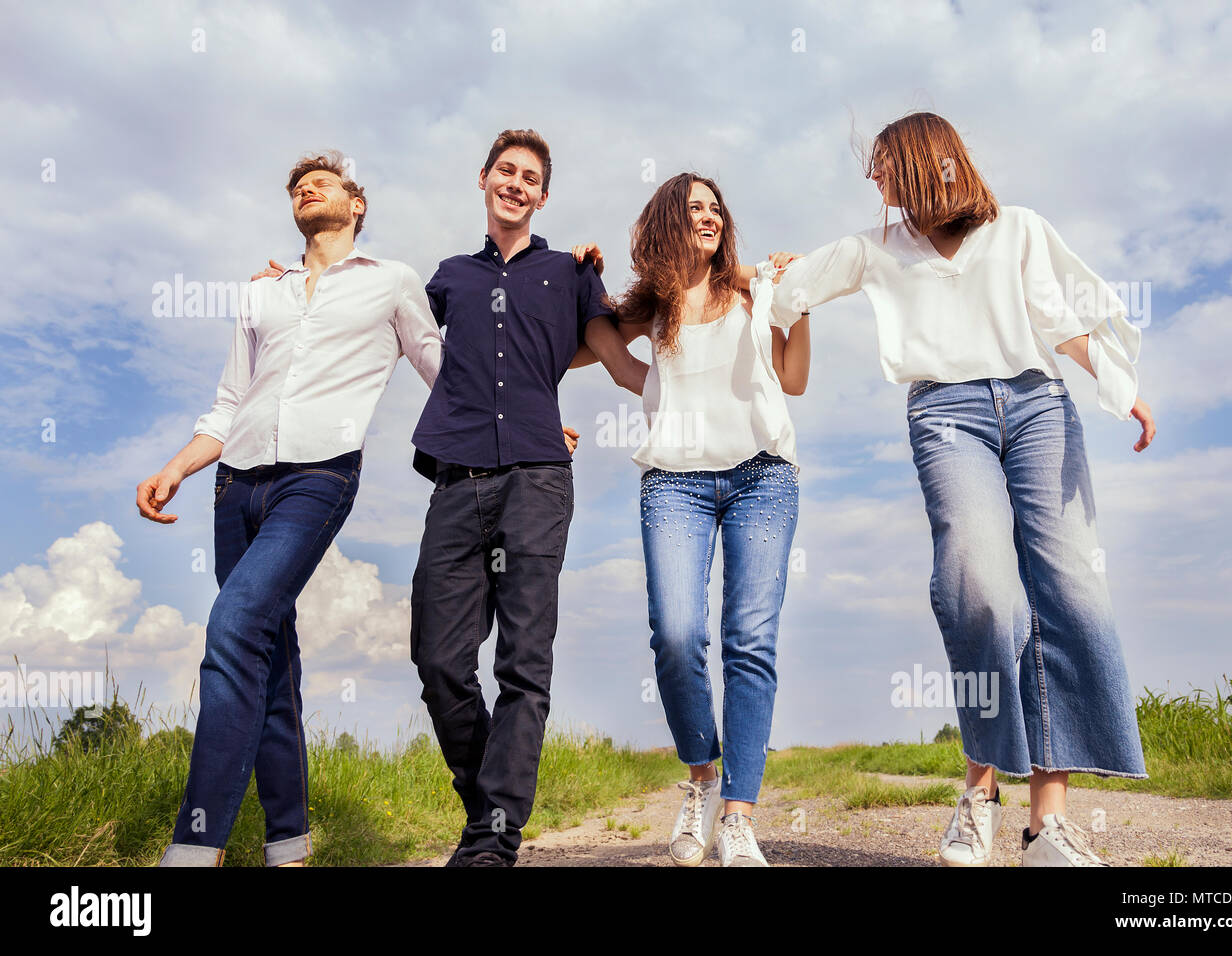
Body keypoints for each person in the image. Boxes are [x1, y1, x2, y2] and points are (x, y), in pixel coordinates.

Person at [768, 112, 1155, 867]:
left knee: (1071, 590)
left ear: (923, 162)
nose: (873, 181)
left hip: (1040, 404)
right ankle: (979, 792)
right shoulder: (875, 249)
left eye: (882, 166)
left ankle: (1049, 827)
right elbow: (785, 294)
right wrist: (783, 278)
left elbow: (1058, 317)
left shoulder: (1019, 230)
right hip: (945, 412)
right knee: (979, 582)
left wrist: (1120, 385)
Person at [137, 151, 445, 866]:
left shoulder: (391, 282)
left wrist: (519, 420)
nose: (306, 187)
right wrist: (175, 468)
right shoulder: (262, 295)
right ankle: (289, 839)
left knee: (234, 622)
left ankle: (196, 840)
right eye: (296, 185)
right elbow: (227, 402)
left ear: (355, 204)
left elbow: (442, 369)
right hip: (233, 486)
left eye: (323, 181)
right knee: (268, 655)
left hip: (319, 477)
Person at [408, 128, 641, 867]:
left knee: (523, 660)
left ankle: (494, 837)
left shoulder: (571, 273)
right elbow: (384, 329)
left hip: (539, 478)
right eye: (505, 170)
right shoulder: (448, 277)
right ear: (483, 180)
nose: (516, 183)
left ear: (543, 195)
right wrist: (299, 284)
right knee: (438, 657)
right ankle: (489, 809)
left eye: (530, 176)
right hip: (456, 478)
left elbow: (619, 357)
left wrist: (707, 394)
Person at [570, 173, 811, 866]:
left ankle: (738, 813)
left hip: (762, 474)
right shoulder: (653, 304)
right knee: (675, 634)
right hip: (674, 479)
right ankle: (701, 776)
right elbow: (596, 351)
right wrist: (580, 277)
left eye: (715, 207)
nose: (708, 216)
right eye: (694, 207)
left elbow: (791, 380)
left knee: (750, 639)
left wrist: (798, 306)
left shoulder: (754, 286)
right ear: (670, 222)